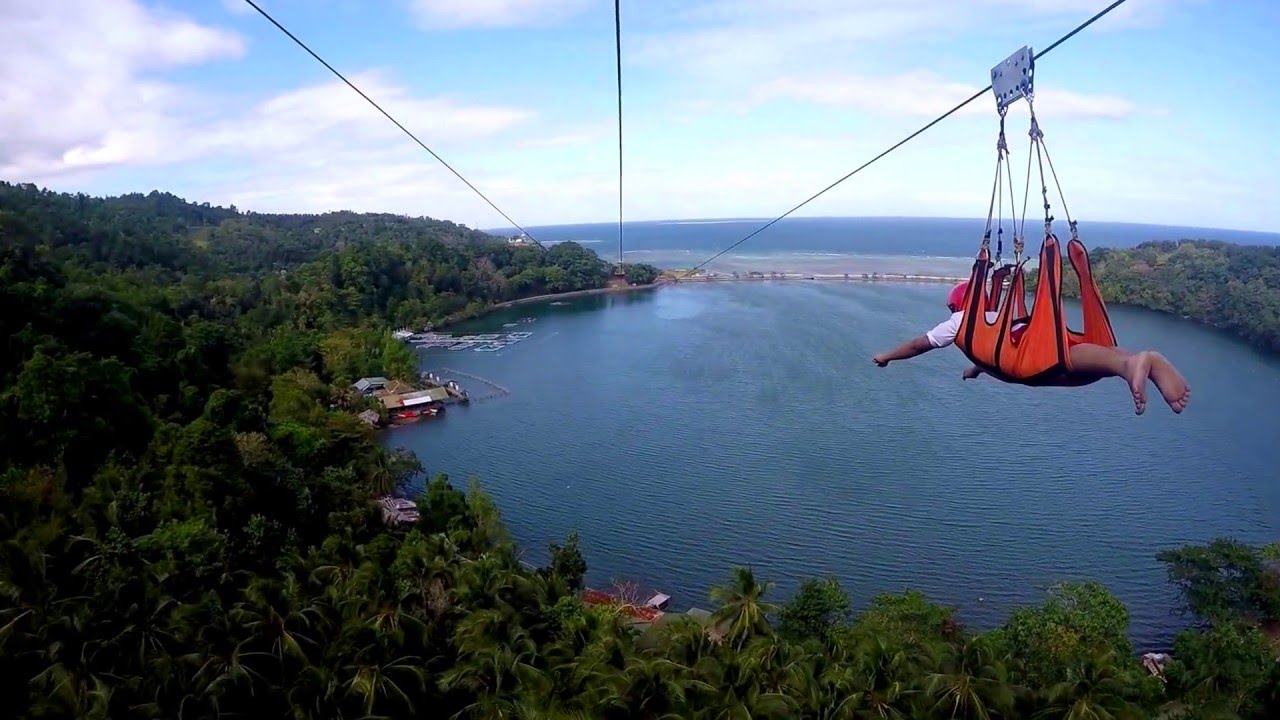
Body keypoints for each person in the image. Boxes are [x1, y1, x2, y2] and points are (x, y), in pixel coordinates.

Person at [871, 281, 1191, 415]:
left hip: (1030, 363)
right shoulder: (994, 317)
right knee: (1085, 361)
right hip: (1031, 345)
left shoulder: (960, 323)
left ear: (956, 305)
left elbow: (917, 345)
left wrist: (886, 356)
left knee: (1066, 362)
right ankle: (1139, 361)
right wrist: (976, 369)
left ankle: (1129, 367)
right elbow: (995, 349)